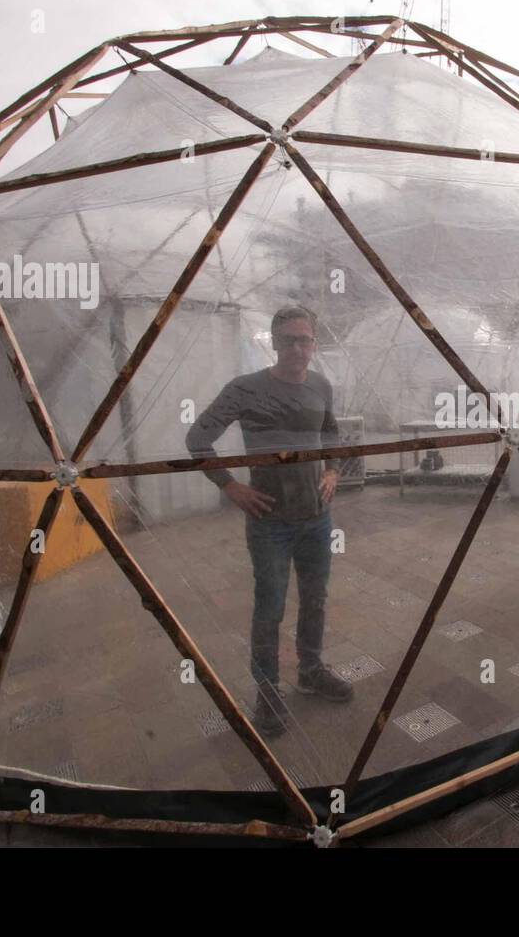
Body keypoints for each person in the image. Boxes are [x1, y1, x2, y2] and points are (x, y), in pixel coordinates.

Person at [186, 306, 353, 739]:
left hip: (316, 518)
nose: (297, 348)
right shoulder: (246, 390)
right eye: (287, 340)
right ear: (274, 343)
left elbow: (333, 434)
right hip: (270, 523)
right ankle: (267, 692)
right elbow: (197, 438)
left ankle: (311, 670)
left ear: (315, 343)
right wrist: (230, 486)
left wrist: (332, 470)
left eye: (304, 339)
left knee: (315, 599)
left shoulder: (320, 385)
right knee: (270, 609)